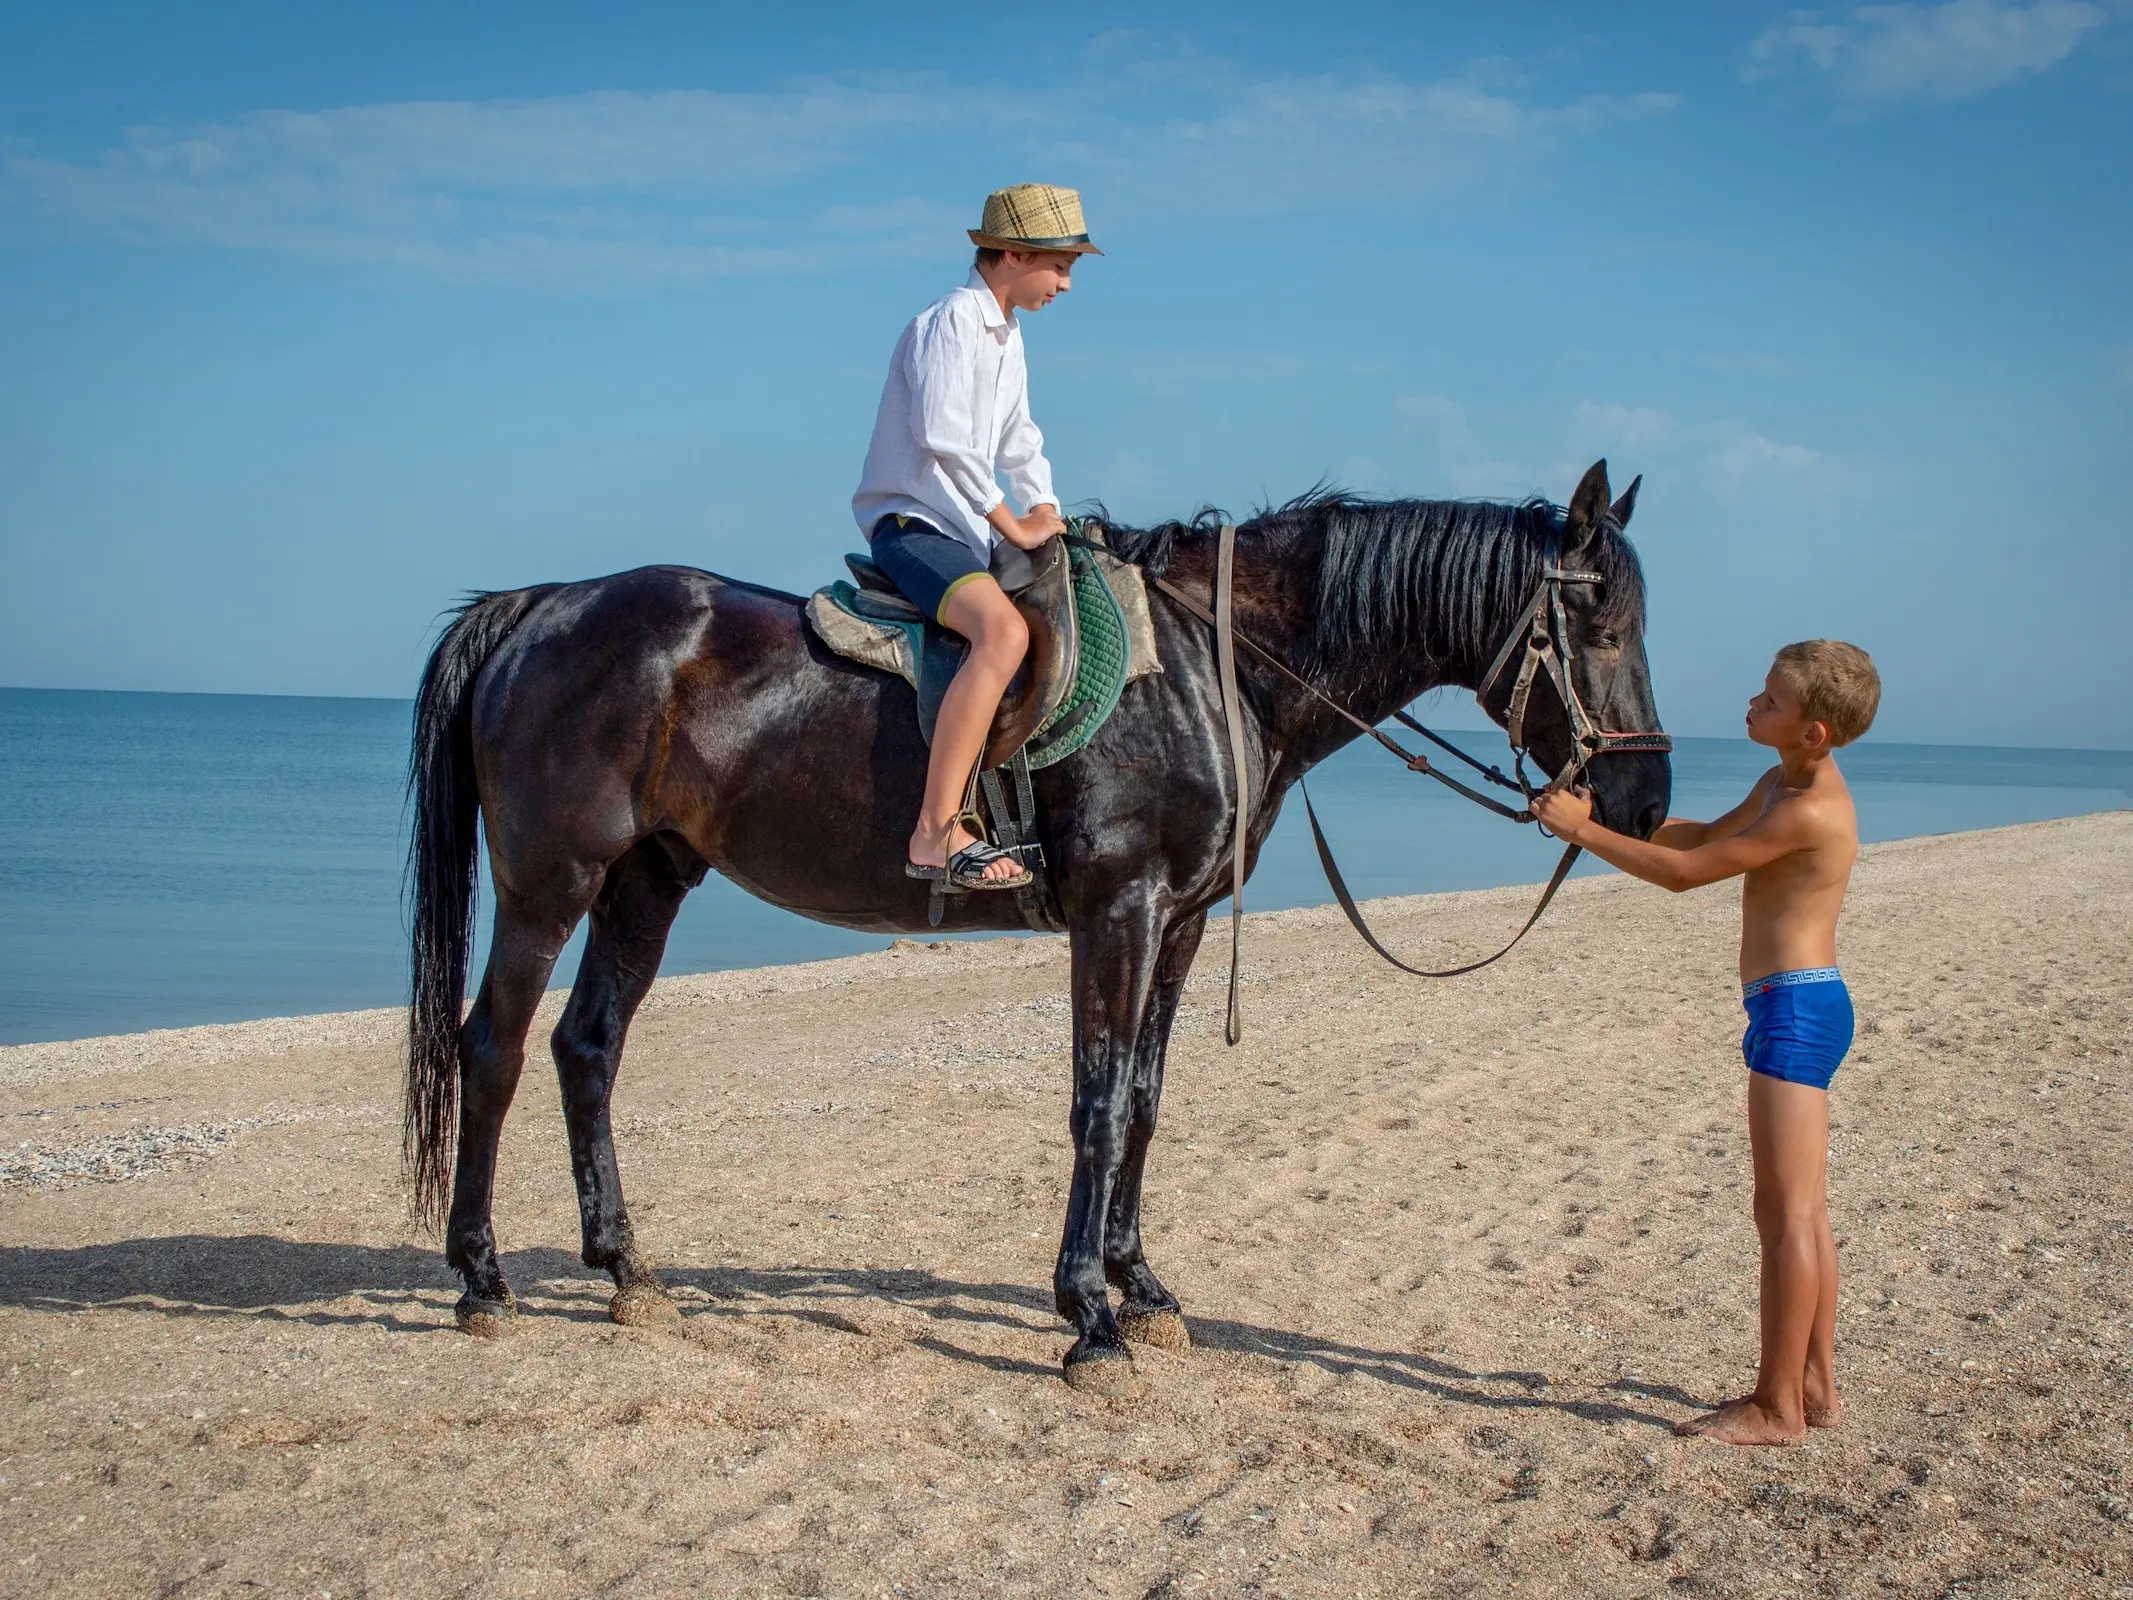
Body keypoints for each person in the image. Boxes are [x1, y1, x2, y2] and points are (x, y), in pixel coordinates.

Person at [1534, 640, 1882, 1446]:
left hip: (1796, 1011)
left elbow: (1684, 878)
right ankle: (1817, 1386)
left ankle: (1776, 1408)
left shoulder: (1808, 809)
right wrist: (1607, 816)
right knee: (1805, 1212)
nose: (1753, 703)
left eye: (1771, 699)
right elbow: (1694, 841)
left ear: (1814, 732)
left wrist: (1583, 838)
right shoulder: (1780, 782)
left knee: (1785, 1214)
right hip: (1790, 1004)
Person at [851, 183, 1100, 892]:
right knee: (1002, 635)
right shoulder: (952, 322)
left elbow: (1019, 437)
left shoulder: (1005, 333)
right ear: (1013, 253)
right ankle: (934, 832)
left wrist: (1046, 505)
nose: (1065, 284)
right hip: (914, 525)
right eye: (1059, 266)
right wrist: (1012, 522)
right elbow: (946, 442)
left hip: (963, 529)